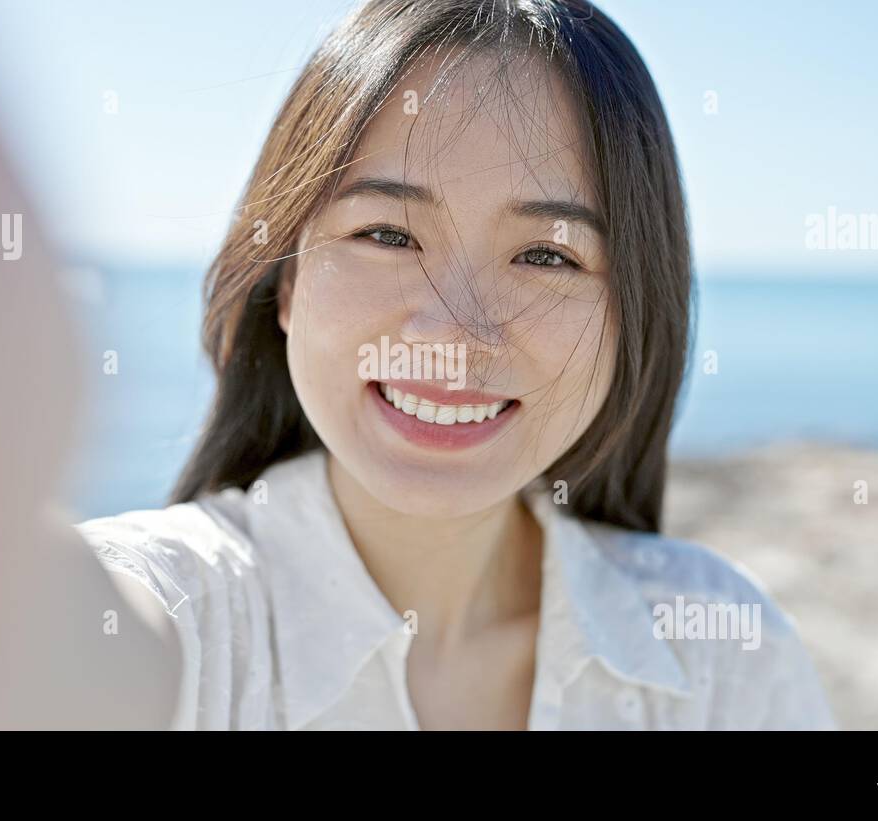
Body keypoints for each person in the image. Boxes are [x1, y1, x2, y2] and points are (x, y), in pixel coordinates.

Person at [76, 0, 836, 730]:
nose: (453, 330)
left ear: (634, 316)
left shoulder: (723, 656)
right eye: (387, 234)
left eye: (547, 255)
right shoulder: (174, 617)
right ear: (286, 284)